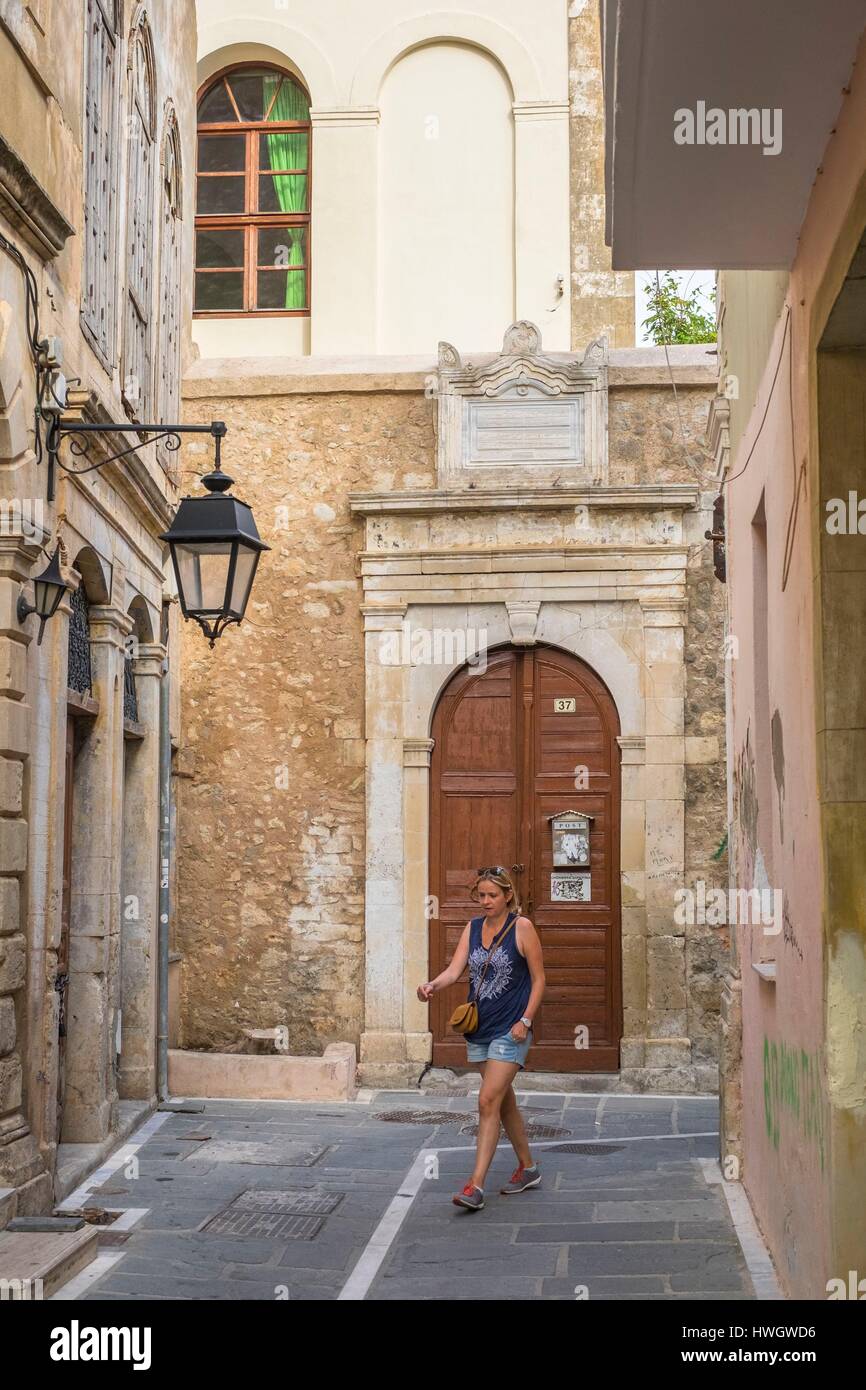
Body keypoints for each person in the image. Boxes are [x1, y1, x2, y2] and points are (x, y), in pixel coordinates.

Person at [417, 867, 546, 1210]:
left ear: (507, 896)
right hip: (479, 1029)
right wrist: (432, 985)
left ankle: (475, 1186)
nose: (486, 901)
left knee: (487, 1101)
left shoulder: (522, 927)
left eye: (492, 895)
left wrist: (526, 1019)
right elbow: (455, 970)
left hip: (511, 1029)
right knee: (503, 1102)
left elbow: (539, 979)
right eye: (482, 895)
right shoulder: (472, 928)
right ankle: (528, 1168)